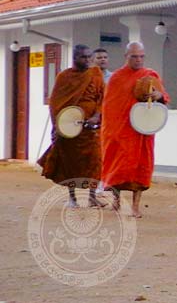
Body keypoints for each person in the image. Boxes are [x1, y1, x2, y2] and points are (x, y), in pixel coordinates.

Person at [100, 42, 169, 218]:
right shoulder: (116, 78)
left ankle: (135, 206)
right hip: (118, 131)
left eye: (141, 56)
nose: (138, 60)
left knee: (139, 167)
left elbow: (163, 97)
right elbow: (110, 106)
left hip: (141, 131)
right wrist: (111, 130)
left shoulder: (150, 75)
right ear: (126, 57)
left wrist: (158, 96)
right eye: (134, 57)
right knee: (118, 167)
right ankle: (116, 200)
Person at [38, 44, 106, 208]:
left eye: (90, 57)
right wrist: (61, 126)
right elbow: (55, 104)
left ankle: (91, 197)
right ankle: (72, 198)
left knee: (95, 161)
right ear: (75, 58)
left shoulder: (95, 74)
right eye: (84, 57)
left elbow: (102, 98)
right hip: (70, 130)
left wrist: (97, 116)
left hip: (90, 129)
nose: (88, 60)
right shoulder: (64, 77)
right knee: (70, 164)